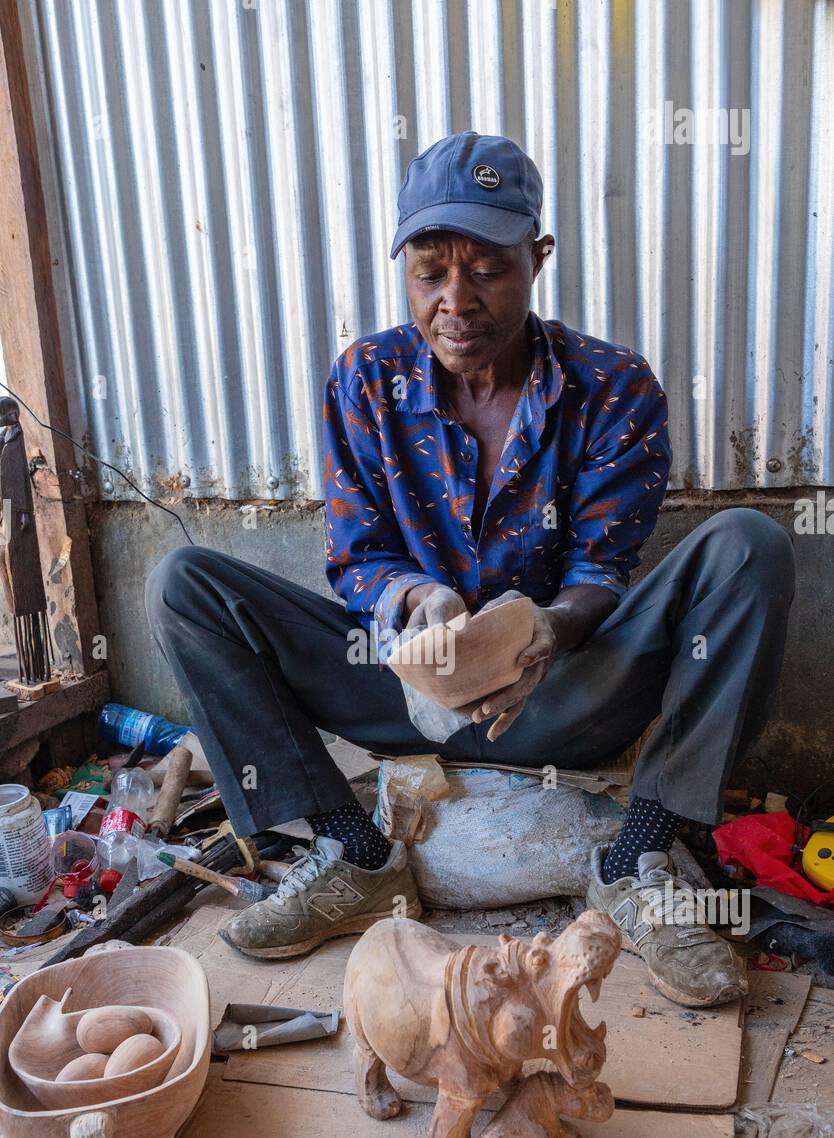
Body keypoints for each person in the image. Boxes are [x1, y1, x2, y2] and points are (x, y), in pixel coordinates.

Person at [146, 131, 795, 1008]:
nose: (456, 300)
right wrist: (419, 597)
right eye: (430, 271)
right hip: (397, 691)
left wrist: (543, 631)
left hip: (566, 690)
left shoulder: (612, 386)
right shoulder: (365, 380)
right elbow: (358, 556)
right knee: (184, 583)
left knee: (750, 544)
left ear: (538, 257)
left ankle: (637, 858)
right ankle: (356, 854)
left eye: (488, 268)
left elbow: (604, 565)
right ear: (406, 269)